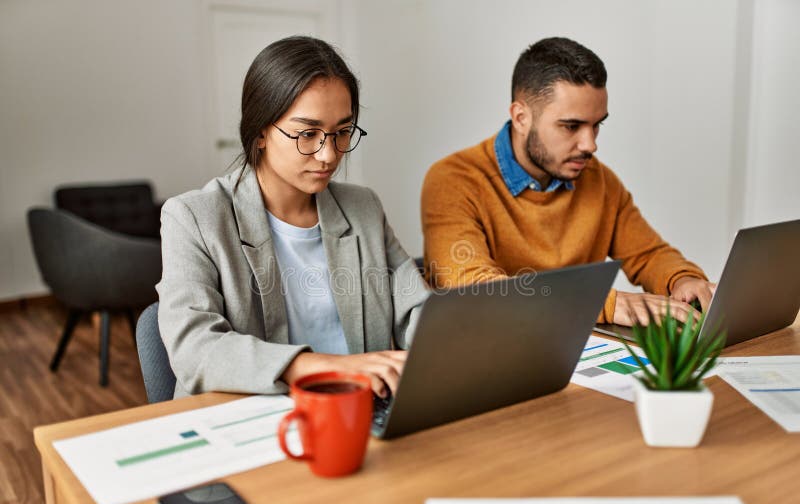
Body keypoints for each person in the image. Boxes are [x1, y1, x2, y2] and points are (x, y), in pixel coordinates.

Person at [157, 36, 428, 399]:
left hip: (356, 413)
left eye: (342, 132)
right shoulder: (194, 217)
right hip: (248, 424)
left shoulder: (363, 208)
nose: (328, 155)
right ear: (261, 132)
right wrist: (324, 366)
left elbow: (417, 312)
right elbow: (193, 347)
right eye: (307, 134)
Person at [421, 36, 714, 327]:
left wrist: (681, 279)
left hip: (575, 351)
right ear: (521, 117)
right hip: (493, 351)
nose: (590, 145)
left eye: (597, 124)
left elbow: (649, 255)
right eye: (571, 126)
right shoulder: (454, 180)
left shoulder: (598, 179)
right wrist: (607, 305)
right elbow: (477, 291)